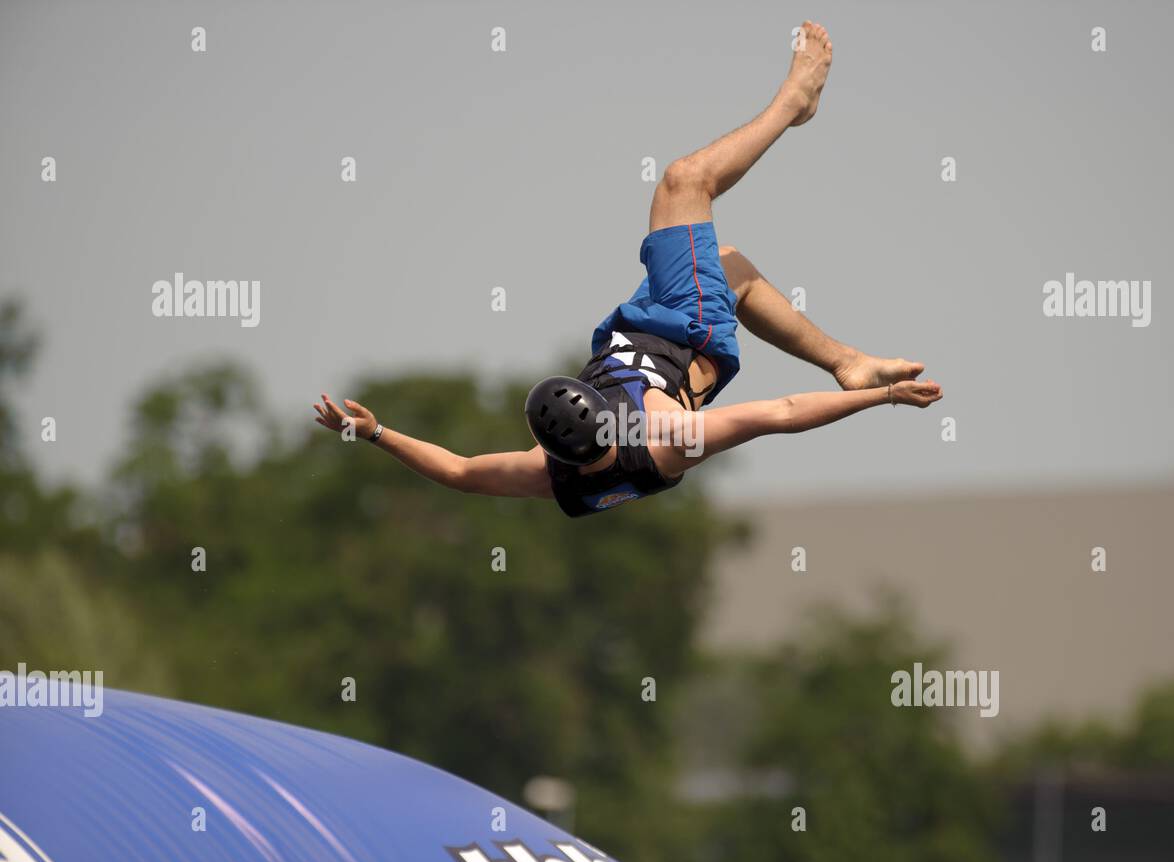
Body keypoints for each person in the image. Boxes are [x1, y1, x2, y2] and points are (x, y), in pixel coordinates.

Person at [314, 21, 942, 517]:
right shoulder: (666, 439)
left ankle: (845, 361)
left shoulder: (549, 472)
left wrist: (376, 434)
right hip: (682, 328)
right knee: (683, 181)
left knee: (731, 269)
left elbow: (458, 471)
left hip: (660, 326)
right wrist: (882, 399)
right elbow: (779, 416)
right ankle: (792, 102)